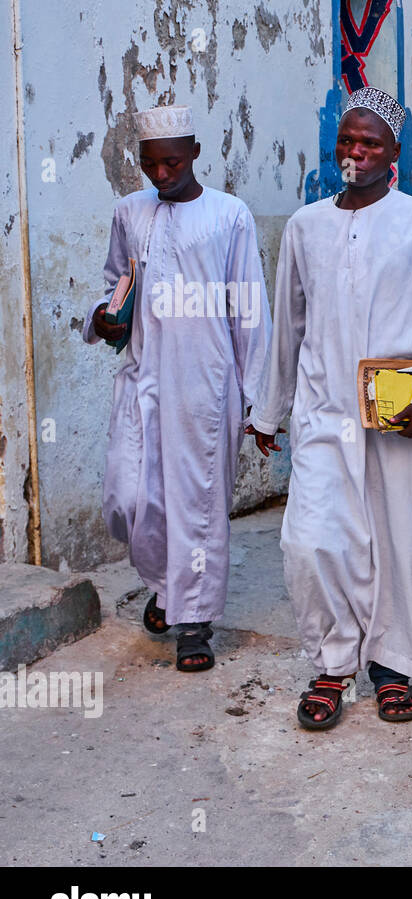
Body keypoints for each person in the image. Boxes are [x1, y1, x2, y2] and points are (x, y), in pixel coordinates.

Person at [248, 87, 412, 730]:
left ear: (393, 152)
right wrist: (268, 411)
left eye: (370, 141)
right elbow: (286, 325)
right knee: (310, 541)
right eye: (347, 140)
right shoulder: (305, 226)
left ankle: (393, 665)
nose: (356, 152)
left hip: (398, 413)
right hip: (322, 409)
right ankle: (333, 662)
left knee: (396, 539)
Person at [85, 104, 271, 672]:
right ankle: (167, 588)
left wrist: (259, 405)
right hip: (142, 377)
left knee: (196, 509)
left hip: (205, 385)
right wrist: (103, 316)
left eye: (171, 163)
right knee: (130, 497)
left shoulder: (229, 216)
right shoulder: (129, 213)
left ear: (194, 153)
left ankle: (193, 623)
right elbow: (115, 284)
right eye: (149, 165)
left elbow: (250, 311)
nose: (161, 176)